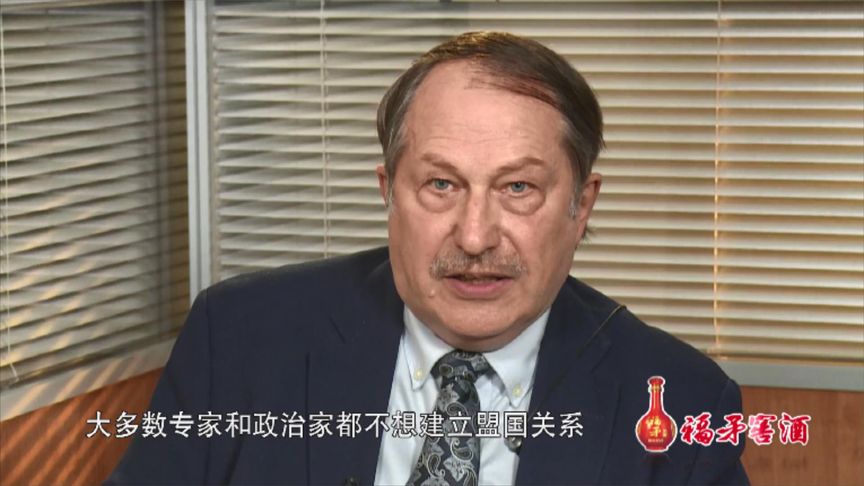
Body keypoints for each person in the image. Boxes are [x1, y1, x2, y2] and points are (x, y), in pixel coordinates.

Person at [108, 31, 749, 485]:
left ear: (581, 205)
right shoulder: (240, 338)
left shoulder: (679, 402)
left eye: (518, 188)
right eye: (441, 184)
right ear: (389, 190)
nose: (474, 238)